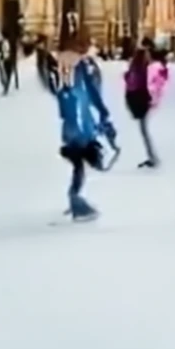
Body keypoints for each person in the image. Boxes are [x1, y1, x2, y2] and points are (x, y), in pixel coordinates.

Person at [56, 43, 115, 221]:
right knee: (80, 164)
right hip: (80, 127)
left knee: (78, 164)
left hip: (72, 126)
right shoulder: (82, 70)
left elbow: (65, 103)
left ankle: (75, 199)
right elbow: (92, 95)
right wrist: (103, 116)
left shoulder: (67, 73)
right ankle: (75, 200)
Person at [124, 47, 156, 167]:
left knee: (144, 130)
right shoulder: (143, 70)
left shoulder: (135, 69)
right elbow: (145, 85)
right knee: (144, 130)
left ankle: (151, 156)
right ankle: (152, 156)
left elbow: (129, 82)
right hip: (140, 100)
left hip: (135, 99)